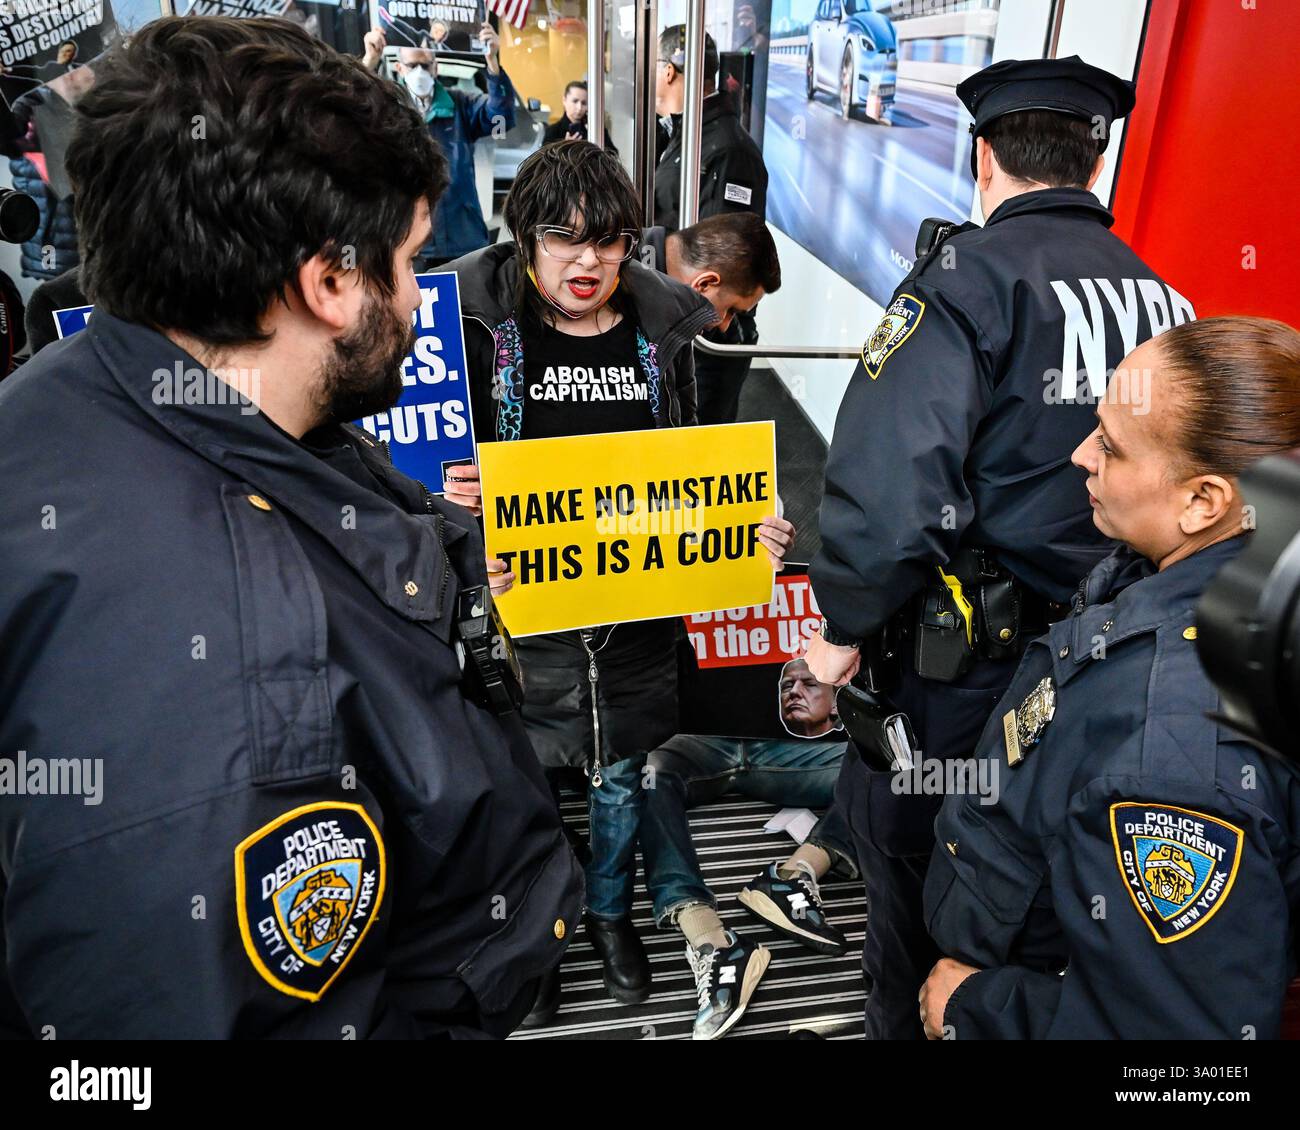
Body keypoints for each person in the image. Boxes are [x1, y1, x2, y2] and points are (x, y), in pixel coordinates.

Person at [0, 15, 582, 1039]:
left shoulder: (71, 406)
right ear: (326, 282)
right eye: (404, 262)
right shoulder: (240, 678)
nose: (415, 296)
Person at [803, 56, 1196, 1040]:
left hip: (968, 675)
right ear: (1096, 156)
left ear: (982, 156)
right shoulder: (1167, 302)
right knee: (1047, 885)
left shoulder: (963, 284)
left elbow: (892, 484)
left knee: (912, 862)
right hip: (1115, 659)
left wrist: (841, 628)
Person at [438, 140, 796, 1026]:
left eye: (611, 241)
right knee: (525, 775)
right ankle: (537, 934)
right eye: (567, 240)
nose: (591, 261)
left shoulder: (666, 321)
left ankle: (607, 920)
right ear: (526, 235)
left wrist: (746, 517)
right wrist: (441, 495)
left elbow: (700, 458)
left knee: (621, 775)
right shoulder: (466, 316)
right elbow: (393, 452)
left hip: (633, 601)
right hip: (520, 603)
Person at [919, 316, 1300, 1039]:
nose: (1080, 455)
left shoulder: (1175, 757)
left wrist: (978, 1010)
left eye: (1112, 447)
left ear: (1203, 501)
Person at [639, 655, 859, 1039]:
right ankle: (712, 942)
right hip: (694, 738)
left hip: (795, 747)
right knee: (642, 775)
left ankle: (796, 873)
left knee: (896, 766)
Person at [654, 25, 769, 425]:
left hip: (706, 338)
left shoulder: (728, 149)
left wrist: (714, 323)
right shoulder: (684, 136)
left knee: (701, 455)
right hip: (678, 325)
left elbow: (723, 255)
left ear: (668, 71)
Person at [361, 24, 515, 264]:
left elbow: (501, 119)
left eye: (425, 65)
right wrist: (369, 61)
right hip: (412, 244)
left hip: (463, 238)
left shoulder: (460, 104)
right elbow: (348, 115)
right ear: (399, 68)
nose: (419, 72)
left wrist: (492, 62)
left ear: (435, 67)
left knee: (469, 300)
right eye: (413, 65)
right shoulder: (389, 109)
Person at [641, 212, 780, 398]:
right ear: (704, 284)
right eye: (730, 310)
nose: (724, 325)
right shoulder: (612, 287)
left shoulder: (667, 306)